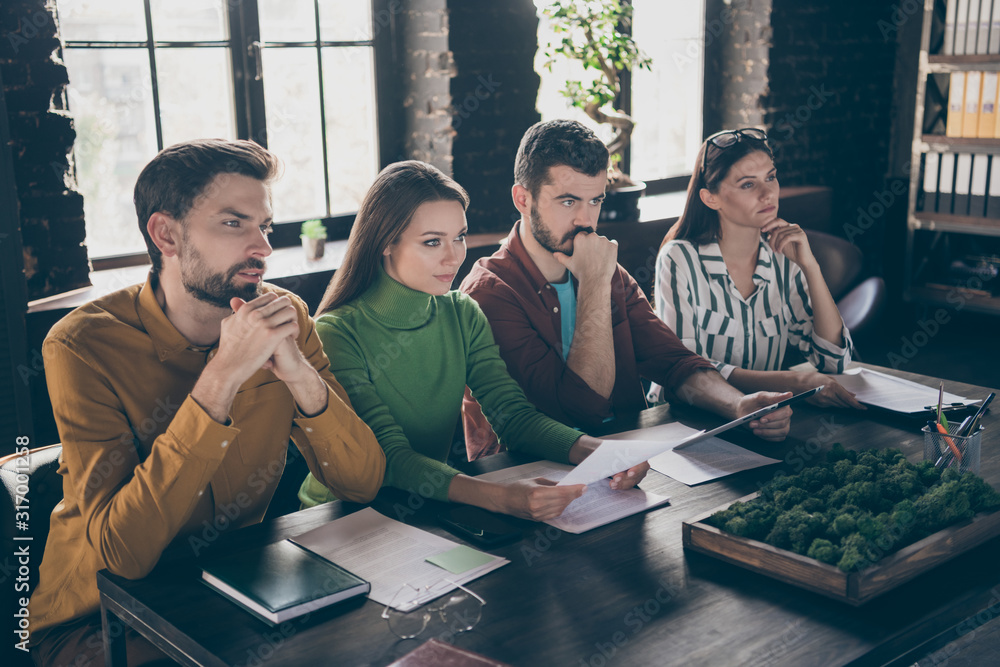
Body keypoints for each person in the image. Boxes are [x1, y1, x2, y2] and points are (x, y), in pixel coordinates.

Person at [29, 139, 386, 667]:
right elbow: (122, 556)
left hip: (233, 584)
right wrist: (221, 376)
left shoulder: (287, 315)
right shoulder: (81, 346)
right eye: (234, 223)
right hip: (97, 617)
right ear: (166, 234)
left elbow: (362, 482)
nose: (263, 246)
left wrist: (300, 376)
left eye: (264, 225)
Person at [298, 160, 648, 520]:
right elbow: (391, 458)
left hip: (426, 505)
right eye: (433, 242)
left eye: (460, 237)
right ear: (386, 243)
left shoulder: (462, 313)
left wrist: (603, 453)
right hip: (339, 517)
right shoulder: (335, 332)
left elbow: (513, 416)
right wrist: (499, 497)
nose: (454, 257)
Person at [459, 119, 795, 460]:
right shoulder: (489, 294)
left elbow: (674, 363)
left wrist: (738, 404)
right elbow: (580, 411)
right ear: (522, 199)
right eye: (568, 202)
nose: (586, 221)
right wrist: (593, 283)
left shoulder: (607, 272)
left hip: (627, 464)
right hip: (529, 479)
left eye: (595, 201)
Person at [650, 127, 861, 408]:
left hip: (763, 418)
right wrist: (793, 382)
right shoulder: (679, 258)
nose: (767, 193)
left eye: (771, 177)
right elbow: (683, 372)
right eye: (748, 184)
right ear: (710, 198)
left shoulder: (785, 260)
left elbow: (832, 361)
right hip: (684, 422)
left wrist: (810, 267)